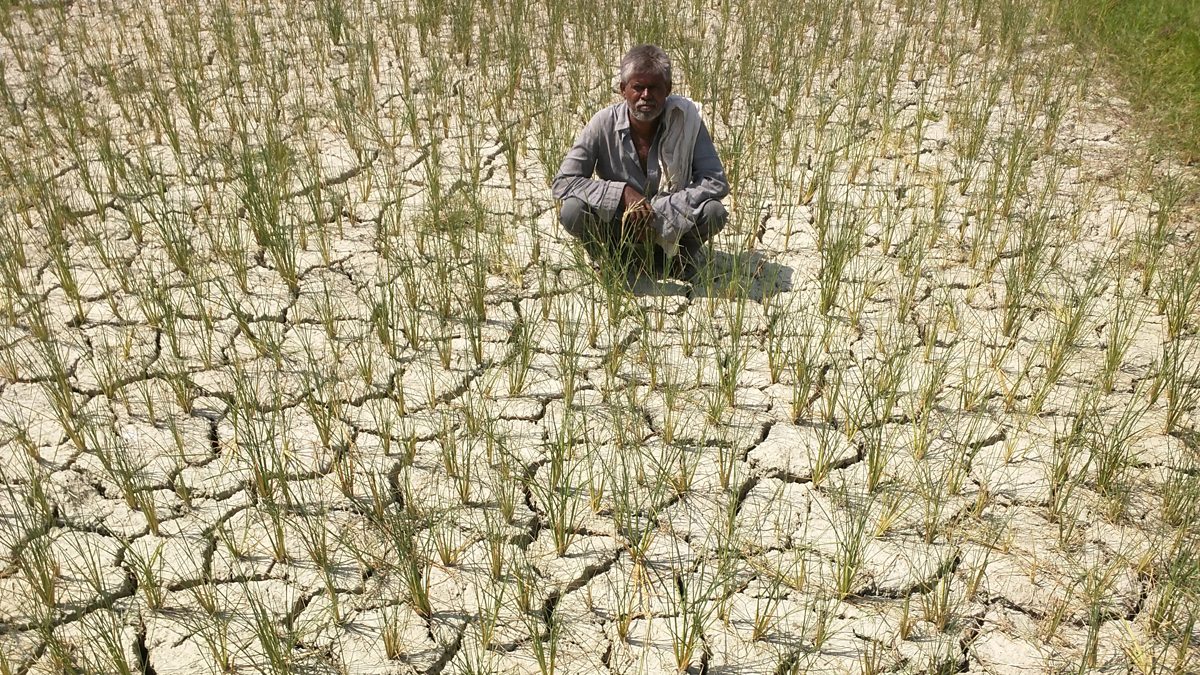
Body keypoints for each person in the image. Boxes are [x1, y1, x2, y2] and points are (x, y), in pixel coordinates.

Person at [551, 44, 729, 280]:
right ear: (623, 89)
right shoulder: (603, 123)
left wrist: (660, 211)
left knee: (713, 211)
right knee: (573, 210)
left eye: (654, 88)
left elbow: (716, 181)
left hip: (671, 221)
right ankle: (608, 257)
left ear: (668, 89)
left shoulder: (685, 120)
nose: (646, 95)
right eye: (638, 87)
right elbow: (564, 182)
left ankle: (675, 258)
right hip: (618, 222)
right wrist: (622, 193)